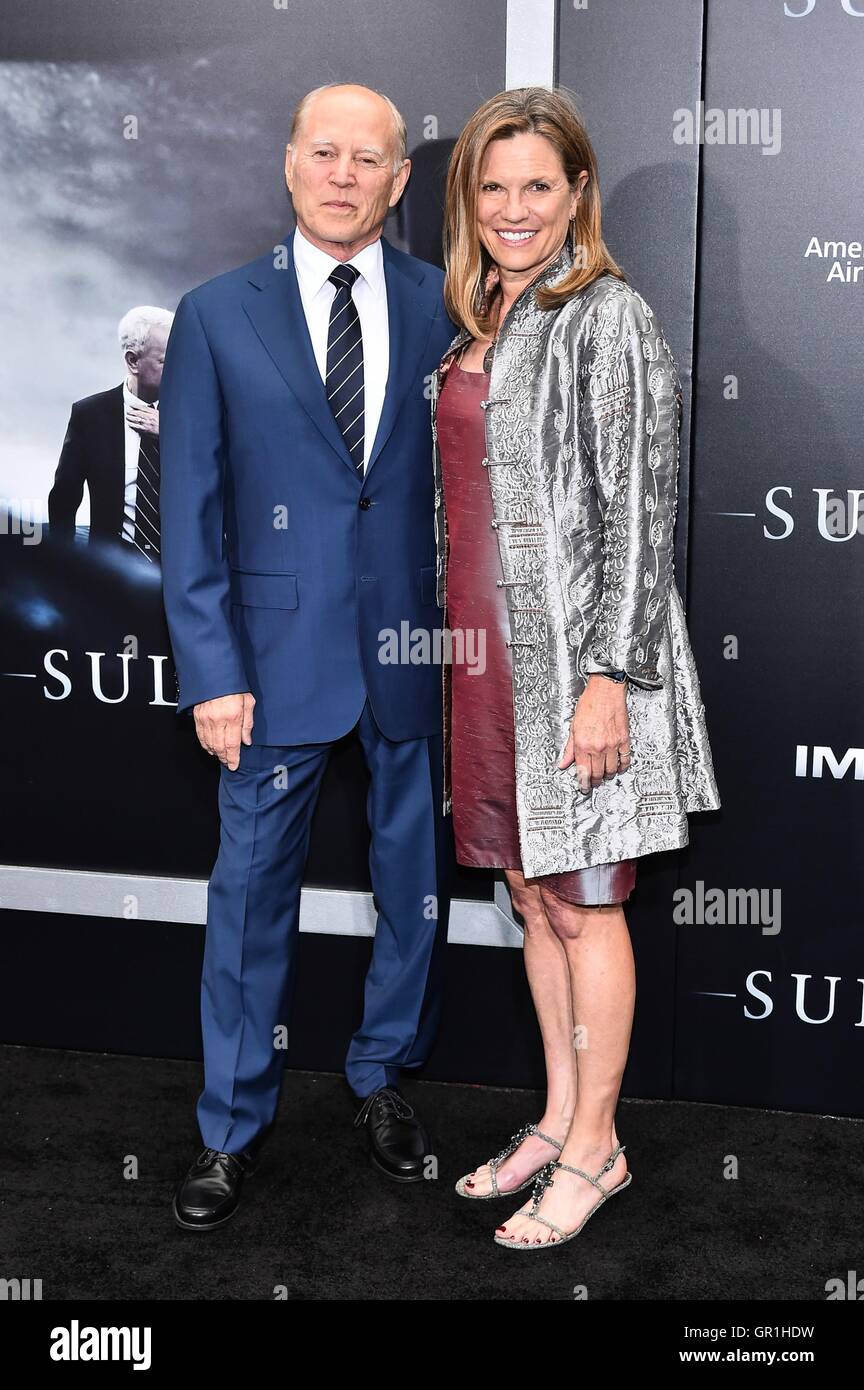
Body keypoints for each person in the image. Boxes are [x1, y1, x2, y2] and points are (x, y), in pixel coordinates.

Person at [159, 83, 458, 1231]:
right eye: (323, 151)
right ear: (289, 164)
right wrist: (212, 670)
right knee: (248, 904)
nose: (343, 173)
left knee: (414, 892)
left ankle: (383, 1079)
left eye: (367, 157)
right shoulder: (216, 313)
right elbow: (191, 512)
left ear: (396, 181)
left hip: (416, 657)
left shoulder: (447, 307)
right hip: (270, 666)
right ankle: (230, 1127)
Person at [432, 87, 721, 1249]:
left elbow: (643, 517)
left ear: (577, 195)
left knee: (589, 906)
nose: (513, 208)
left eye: (536, 186)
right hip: (486, 670)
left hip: (584, 673)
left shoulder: (608, 314)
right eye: (493, 187)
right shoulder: (477, 327)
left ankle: (599, 1147)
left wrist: (611, 678)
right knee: (535, 898)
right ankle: (557, 1118)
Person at [48, 306, 171, 563]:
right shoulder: (89, 414)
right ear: (133, 361)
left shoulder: (194, 416)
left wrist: (172, 434)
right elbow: (64, 498)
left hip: (179, 576)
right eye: (165, 360)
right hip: (111, 571)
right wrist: (64, 566)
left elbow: (222, 482)